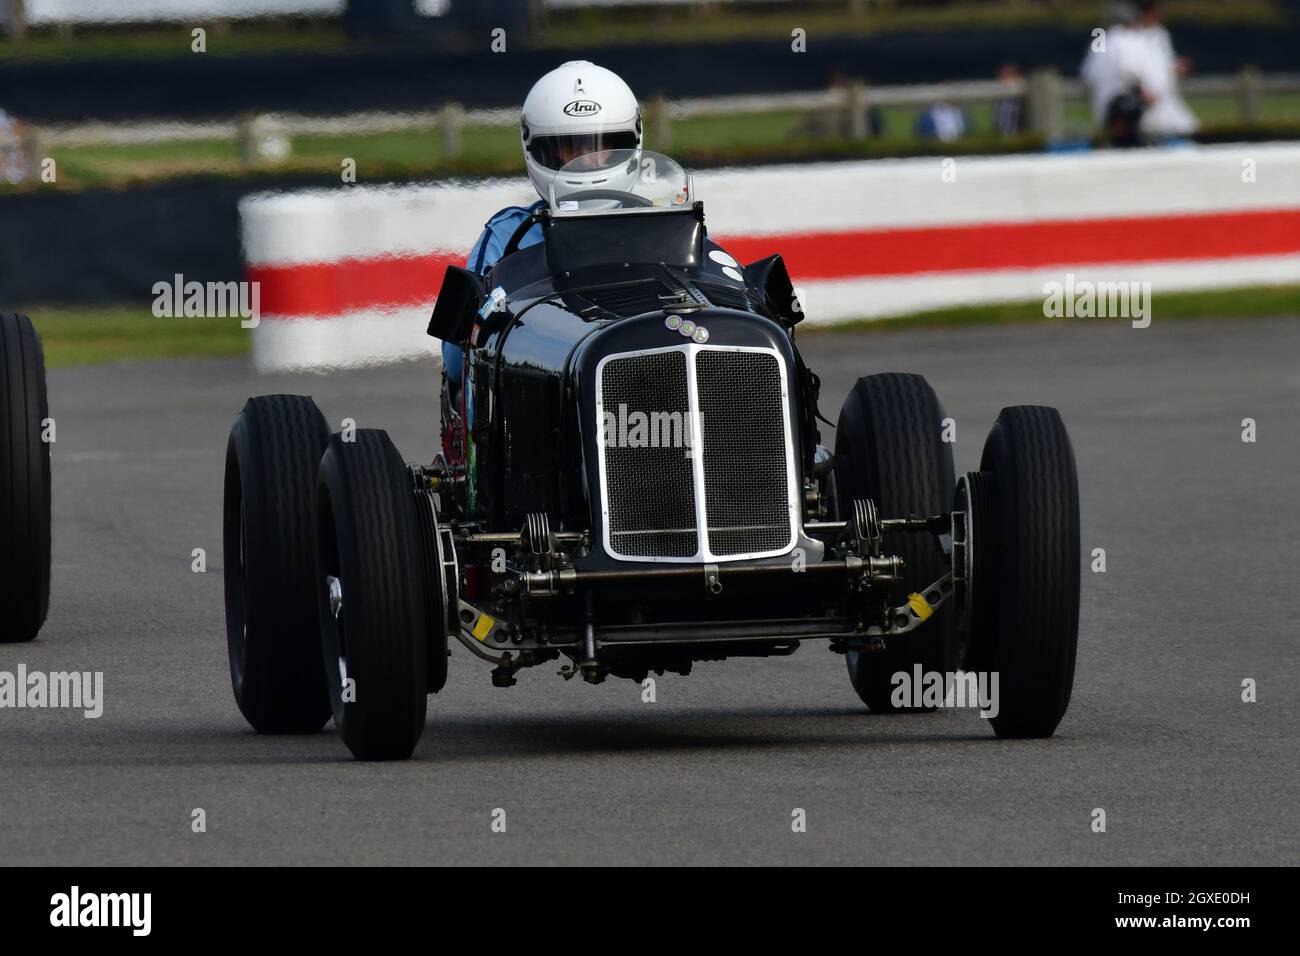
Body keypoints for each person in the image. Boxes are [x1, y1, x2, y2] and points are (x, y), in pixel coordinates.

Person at [441, 60, 642, 412]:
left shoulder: (664, 225)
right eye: (571, 147)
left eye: (601, 145)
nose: (587, 161)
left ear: (628, 142)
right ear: (540, 149)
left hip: (643, 391)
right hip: (541, 407)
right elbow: (458, 362)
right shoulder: (507, 234)